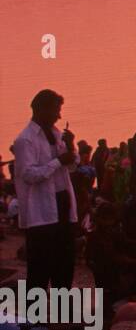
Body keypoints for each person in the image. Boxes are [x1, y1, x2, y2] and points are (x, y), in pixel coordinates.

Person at [11, 89, 78, 290]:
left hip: (63, 204)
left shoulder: (57, 134)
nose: (59, 116)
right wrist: (58, 161)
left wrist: (70, 147)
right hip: (41, 212)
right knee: (40, 266)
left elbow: (72, 166)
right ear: (41, 110)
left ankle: (62, 314)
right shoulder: (25, 140)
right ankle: (33, 318)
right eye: (55, 111)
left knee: (64, 264)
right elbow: (29, 175)